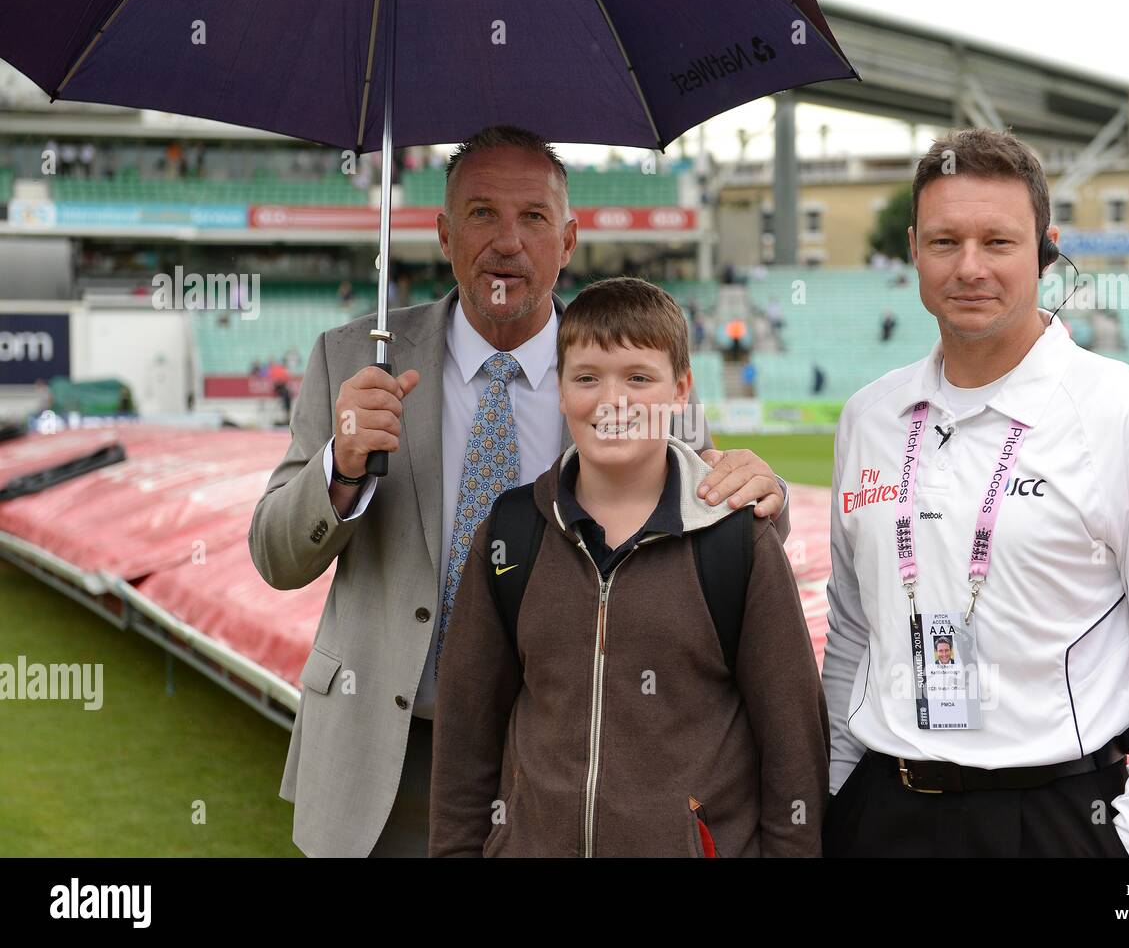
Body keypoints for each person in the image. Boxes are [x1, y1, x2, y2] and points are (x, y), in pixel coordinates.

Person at [247, 125, 792, 858]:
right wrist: (340, 471)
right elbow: (277, 555)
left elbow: (708, 522)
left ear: (568, 240)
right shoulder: (350, 359)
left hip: (558, 759)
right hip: (382, 751)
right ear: (443, 233)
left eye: (532, 217)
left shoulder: (622, 377)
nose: (507, 241)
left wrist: (768, 499)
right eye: (481, 214)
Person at [821, 128, 1129, 859]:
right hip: (883, 811)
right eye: (945, 241)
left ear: (1044, 246)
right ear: (913, 247)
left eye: (998, 242)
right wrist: (836, 789)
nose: (969, 267)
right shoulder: (868, 417)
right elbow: (853, 630)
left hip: (1054, 817)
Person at [427, 277, 827, 857]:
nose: (612, 401)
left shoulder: (736, 541)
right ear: (560, 391)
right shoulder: (511, 534)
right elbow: (466, 739)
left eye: (639, 378)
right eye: (587, 378)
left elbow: (794, 745)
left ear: (681, 390)